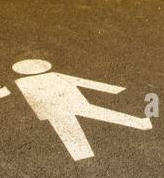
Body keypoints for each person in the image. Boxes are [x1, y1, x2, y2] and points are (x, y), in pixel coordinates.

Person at [11, 59, 152, 161]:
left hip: (52, 110)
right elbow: (81, 82)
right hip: (72, 103)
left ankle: (82, 153)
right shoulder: (52, 75)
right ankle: (140, 123)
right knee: (100, 113)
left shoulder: (22, 81)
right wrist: (112, 89)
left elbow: (3, 93)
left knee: (69, 128)